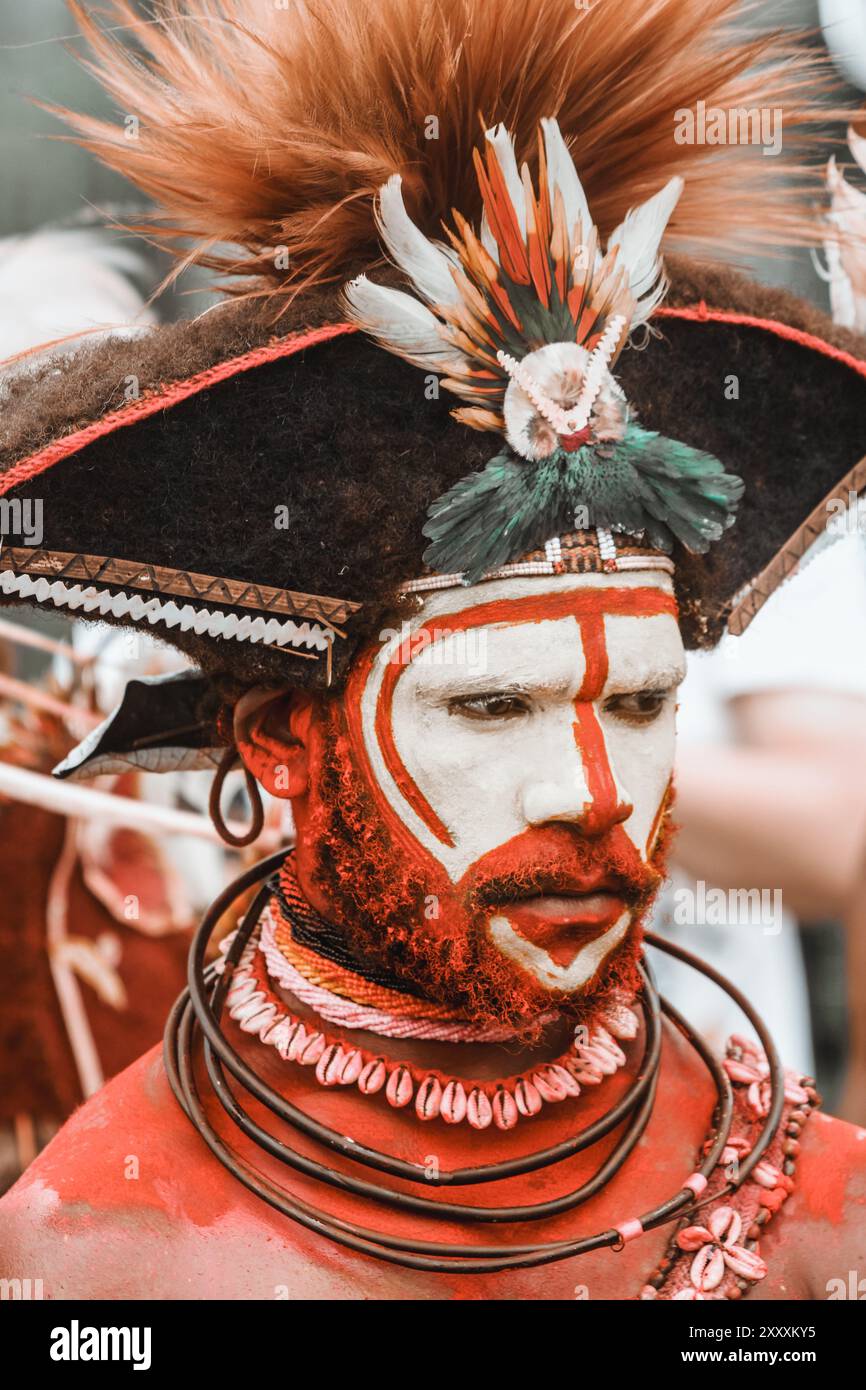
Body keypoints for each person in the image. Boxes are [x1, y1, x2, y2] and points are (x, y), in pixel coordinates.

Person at [0, 0, 865, 1301]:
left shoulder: (819, 1222)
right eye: (490, 704)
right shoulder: (93, 1258)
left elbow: (834, 833)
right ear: (283, 744)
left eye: (637, 701)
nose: (589, 792)